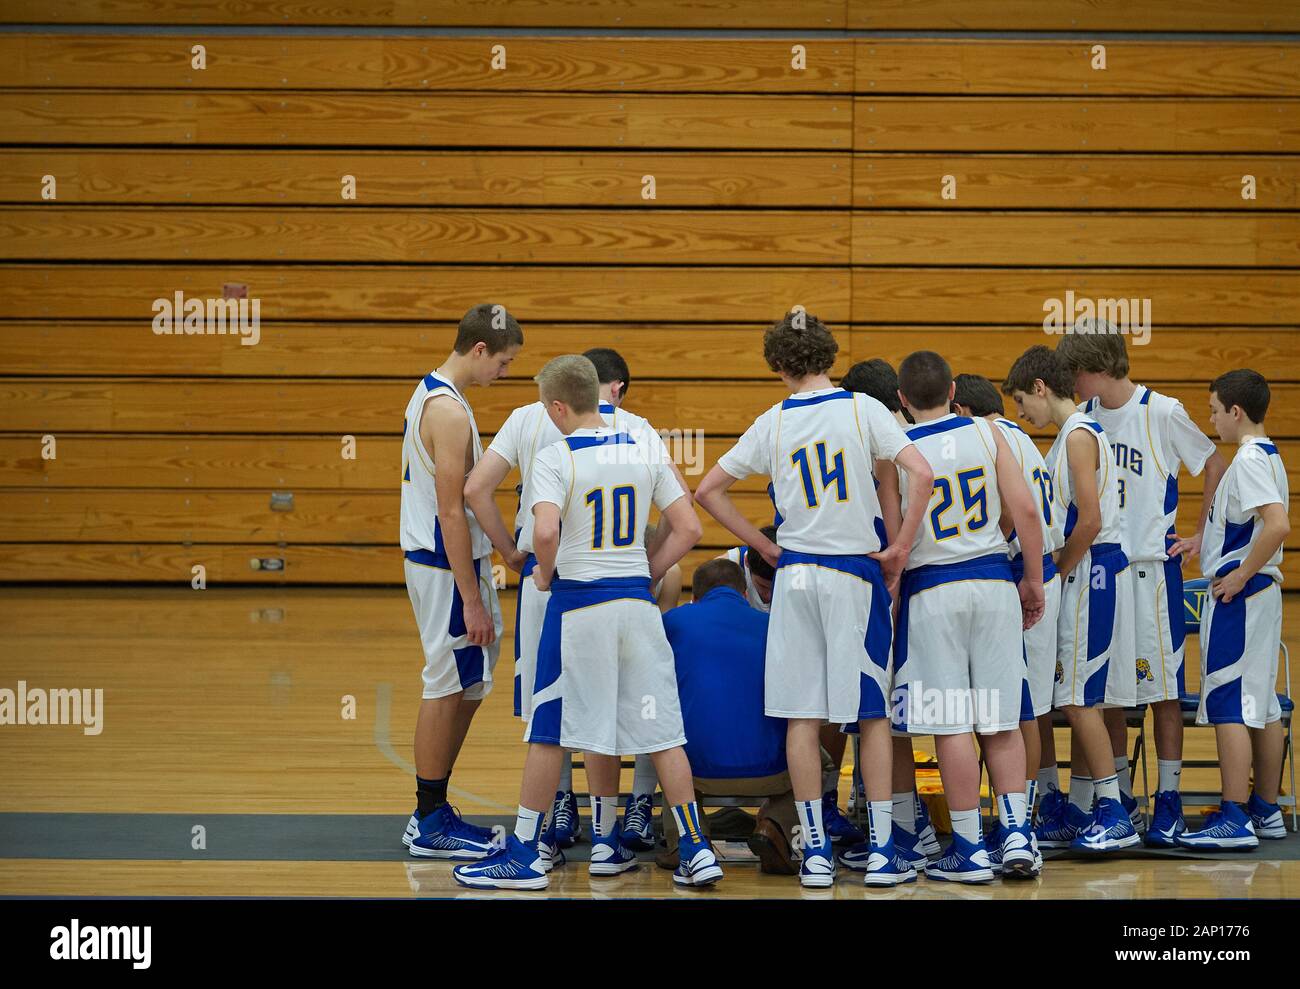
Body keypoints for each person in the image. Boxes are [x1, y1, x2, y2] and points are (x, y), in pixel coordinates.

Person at [453, 355, 722, 889]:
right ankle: (695, 848)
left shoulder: (556, 456)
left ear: (557, 406)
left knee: (549, 729)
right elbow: (688, 525)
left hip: (578, 608)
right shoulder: (644, 447)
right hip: (636, 608)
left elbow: (546, 532)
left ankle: (527, 854)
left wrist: (546, 572)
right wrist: (648, 571)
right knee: (663, 732)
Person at [696, 311, 935, 888]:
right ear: (829, 355)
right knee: (872, 715)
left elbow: (706, 490)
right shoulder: (864, 408)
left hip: (798, 576)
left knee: (801, 716)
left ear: (778, 365)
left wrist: (762, 546)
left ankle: (816, 852)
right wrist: (900, 546)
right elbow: (921, 473)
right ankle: (882, 851)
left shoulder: (773, 421)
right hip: (854, 576)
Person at [1057, 322, 1227, 846]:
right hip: (1102, 572)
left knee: (1164, 693)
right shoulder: (1080, 421)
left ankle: (1169, 801)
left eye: (1077, 372)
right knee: (1105, 694)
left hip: (1152, 573)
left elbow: (1214, 460)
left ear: (1098, 368)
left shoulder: (1162, 410)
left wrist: (1202, 530)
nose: (1073, 382)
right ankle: (1121, 801)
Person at [888, 352, 1045, 883]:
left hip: (933, 590)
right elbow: (1024, 510)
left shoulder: (899, 446)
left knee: (952, 724)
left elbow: (893, 536)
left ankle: (970, 847)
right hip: (994, 582)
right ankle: (1018, 836)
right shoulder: (985, 430)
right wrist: (1032, 578)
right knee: (1001, 718)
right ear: (954, 388)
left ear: (903, 400)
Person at [1002, 346, 1139, 853]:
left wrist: (1057, 567)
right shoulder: (1071, 436)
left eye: (1021, 401)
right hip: (1090, 569)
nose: (1021, 415)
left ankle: (1113, 810)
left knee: (1080, 700)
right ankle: (1086, 807)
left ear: (1041, 386)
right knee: (1078, 697)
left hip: (1093, 569)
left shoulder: (1078, 436)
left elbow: (1092, 521)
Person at [400, 304, 521, 859]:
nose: (505, 372)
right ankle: (427, 819)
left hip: (453, 565)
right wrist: (470, 598)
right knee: (444, 684)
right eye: (503, 362)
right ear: (479, 351)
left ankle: (435, 805)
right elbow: (451, 511)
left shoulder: (436, 395)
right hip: (446, 566)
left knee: (468, 684)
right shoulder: (447, 411)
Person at [953, 372, 1065, 876]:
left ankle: (1022, 818)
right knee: (1027, 706)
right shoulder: (1022, 442)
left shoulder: (994, 439)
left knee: (1024, 708)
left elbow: (1013, 514)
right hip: (1037, 571)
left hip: (1025, 574)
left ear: (964, 413)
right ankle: (1020, 817)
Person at [1179, 369, 1290, 849]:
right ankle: (1265, 809)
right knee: (1262, 706)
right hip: (1258, 596)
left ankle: (1234, 818)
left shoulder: (1246, 460)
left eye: (1213, 410)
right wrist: (1204, 541)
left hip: (1241, 597)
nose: (1211, 420)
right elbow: (1246, 525)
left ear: (1235, 412)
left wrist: (1240, 574)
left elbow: (1278, 525)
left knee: (1228, 704)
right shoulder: (1269, 455)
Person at [656, 558, 799, 875]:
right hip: (771, 769)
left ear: (695, 597)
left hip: (697, 768)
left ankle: (687, 840)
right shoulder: (774, 624)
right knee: (818, 761)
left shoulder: (674, 621)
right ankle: (776, 826)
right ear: (745, 595)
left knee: (667, 751)